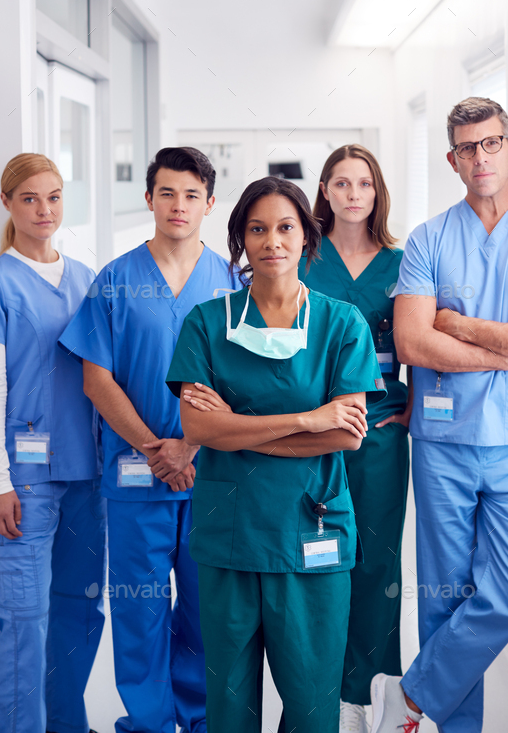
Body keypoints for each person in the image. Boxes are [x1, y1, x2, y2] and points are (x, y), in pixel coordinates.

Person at [370, 97, 508, 733]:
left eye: (491, 143)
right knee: (444, 597)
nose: (480, 157)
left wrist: (460, 326)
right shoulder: (428, 239)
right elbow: (413, 342)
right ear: (452, 159)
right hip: (443, 443)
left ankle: (409, 697)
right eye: (466, 148)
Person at [165, 175, 387, 733]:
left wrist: (234, 427)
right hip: (231, 537)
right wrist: (306, 420)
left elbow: (347, 435)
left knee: (313, 706)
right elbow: (197, 426)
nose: (272, 241)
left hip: (310, 534)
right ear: (240, 238)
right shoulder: (206, 323)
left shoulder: (342, 324)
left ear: (307, 234)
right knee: (229, 705)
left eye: (286, 227)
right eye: (257, 229)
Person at [59, 147, 239, 733]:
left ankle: (199, 717)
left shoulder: (233, 283)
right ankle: (149, 722)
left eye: (191, 195)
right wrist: (154, 448)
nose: (178, 205)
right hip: (136, 476)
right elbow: (96, 379)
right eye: (167, 193)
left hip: (211, 473)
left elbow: (246, 382)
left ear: (210, 203)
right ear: (149, 199)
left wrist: (190, 446)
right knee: (139, 610)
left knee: (206, 609)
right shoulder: (115, 279)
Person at [0, 153, 106, 733]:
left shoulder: (85, 279)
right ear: (7, 203)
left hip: (89, 472)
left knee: (81, 607)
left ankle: (66, 724)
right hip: (24, 481)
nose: (43, 210)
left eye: (53, 197)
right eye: (29, 198)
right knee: (25, 617)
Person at [298, 145, 412, 733]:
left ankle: (373, 689)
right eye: (341, 183)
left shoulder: (402, 264)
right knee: (319, 558)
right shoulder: (302, 258)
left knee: (377, 562)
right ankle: (330, 696)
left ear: (377, 191)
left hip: (381, 433)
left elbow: (421, 340)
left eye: (363, 183)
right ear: (324, 190)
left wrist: (414, 405)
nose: (352, 194)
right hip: (313, 432)